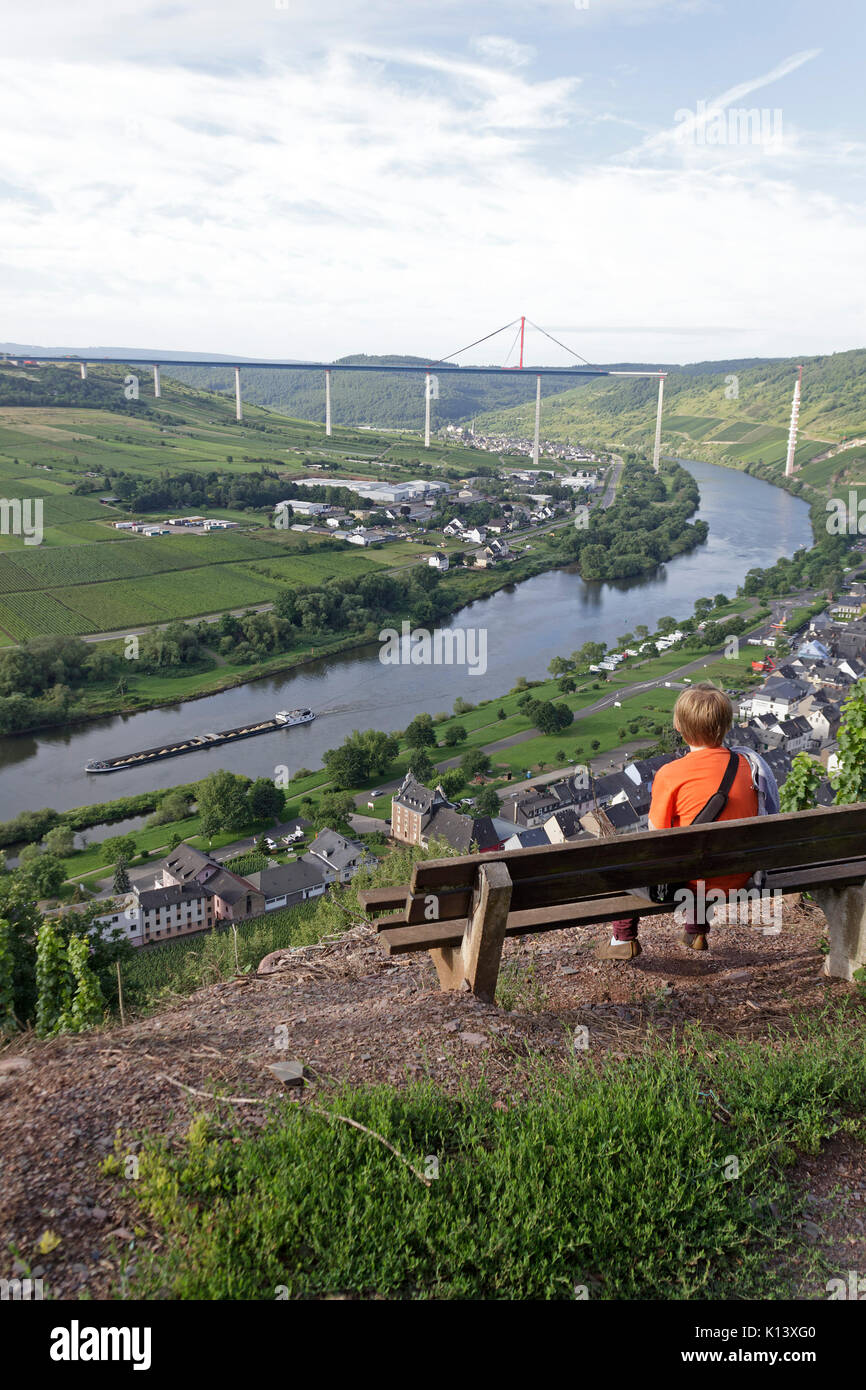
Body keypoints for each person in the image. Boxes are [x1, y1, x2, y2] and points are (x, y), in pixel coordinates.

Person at [596, 683, 759, 960]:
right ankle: (695, 931)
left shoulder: (671, 773)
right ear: (727, 725)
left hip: (694, 881)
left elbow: (656, 836)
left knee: (625, 859)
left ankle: (622, 938)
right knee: (702, 848)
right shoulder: (750, 766)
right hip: (739, 876)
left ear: (680, 728)